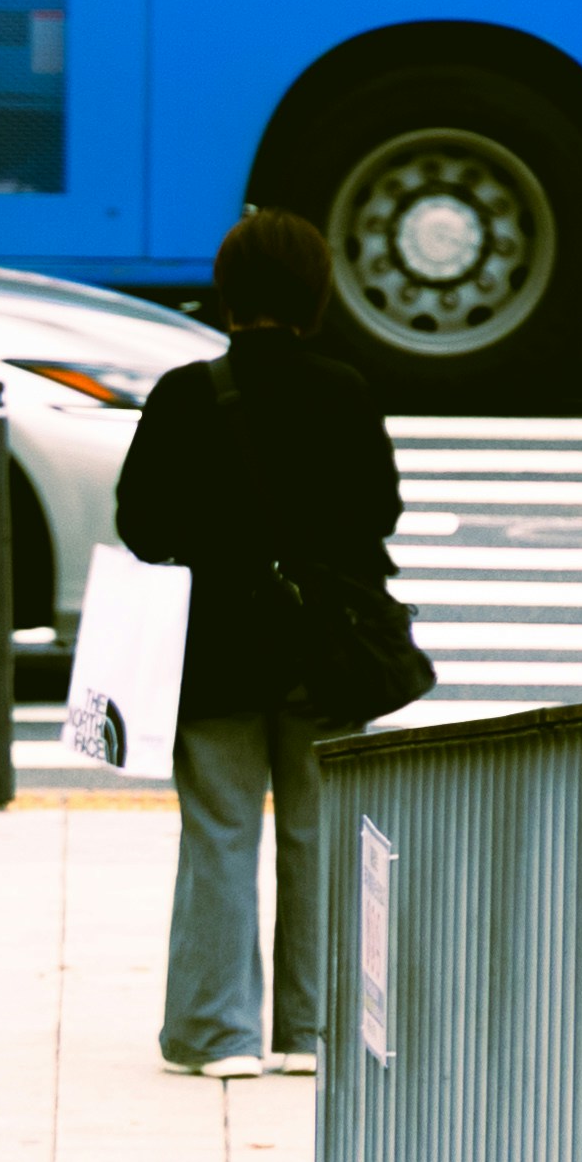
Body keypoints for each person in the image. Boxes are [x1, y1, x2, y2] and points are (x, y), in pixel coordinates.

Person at [111, 208, 403, 1078]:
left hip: (216, 646)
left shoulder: (186, 393)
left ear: (227, 293)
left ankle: (216, 1034)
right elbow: (377, 514)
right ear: (314, 293)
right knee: (317, 835)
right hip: (322, 647)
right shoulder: (345, 388)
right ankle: (309, 1033)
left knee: (219, 835)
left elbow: (140, 524)